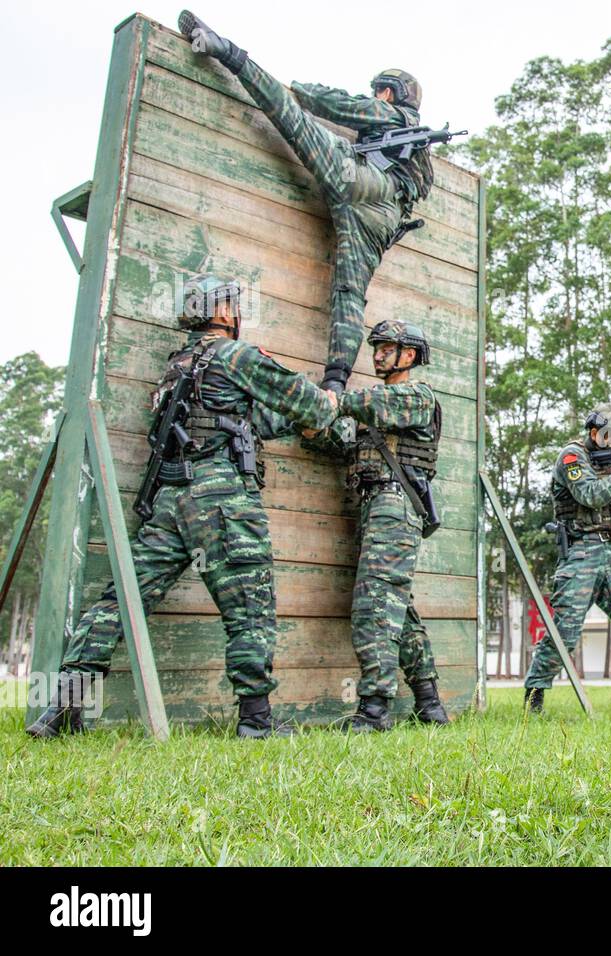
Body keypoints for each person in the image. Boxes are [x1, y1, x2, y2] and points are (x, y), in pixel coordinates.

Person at [27, 275, 339, 739]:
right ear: (222, 311)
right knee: (250, 607)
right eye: (233, 304)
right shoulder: (236, 355)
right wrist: (328, 403)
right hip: (221, 501)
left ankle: (60, 710)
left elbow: (242, 420)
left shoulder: (178, 366)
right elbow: (312, 408)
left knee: (122, 600)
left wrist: (286, 423)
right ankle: (256, 722)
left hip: (170, 503)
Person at [179, 10, 438, 394]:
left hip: (366, 185)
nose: (376, 96)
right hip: (382, 222)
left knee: (293, 121)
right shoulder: (420, 154)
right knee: (348, 295)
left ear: (389, 93)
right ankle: (335, 384)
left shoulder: (398, 117)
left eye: (380, 91)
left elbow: (337, 106)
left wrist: (298, 91)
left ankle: (229, 53)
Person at [302, 320, 449, 731]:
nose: (379, 353)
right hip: (375, 507)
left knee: (375, 602)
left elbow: (368, 405)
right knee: (395, 604)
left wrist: (331, 399)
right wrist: (310, 418)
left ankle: (374, 709)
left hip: (396, 502)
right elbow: (333, 438)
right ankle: (429, 703)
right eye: (377, 346)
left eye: (389, 347)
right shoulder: (369, 409)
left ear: (411, 355)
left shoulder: (416, 397)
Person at [522, 403, 611, 714]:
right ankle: (534, 697)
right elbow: (590, 495)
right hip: (580, 552)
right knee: (565, 633)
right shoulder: (572, 457)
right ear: (595, 434)